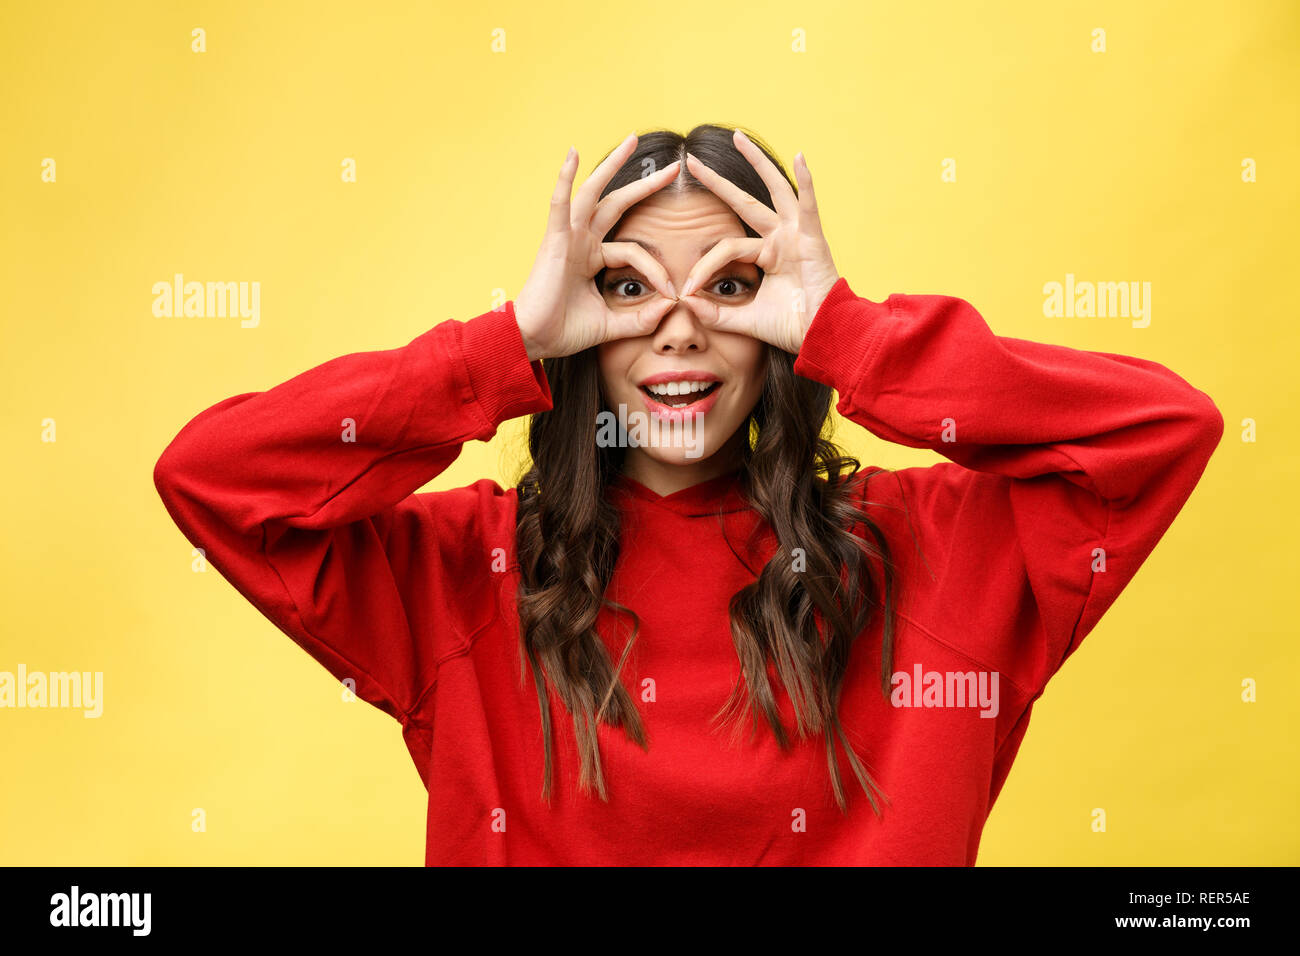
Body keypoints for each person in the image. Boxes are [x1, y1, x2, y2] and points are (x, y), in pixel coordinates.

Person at [152, 124, 1224, 865]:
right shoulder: (463, 571)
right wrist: (504, 345)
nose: (677, 328)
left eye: (730, 284)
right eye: (625, 286)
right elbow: (213, 475)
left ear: (780, 322)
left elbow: (1161, 429)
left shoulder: (933, 553)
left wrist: (853, 334)